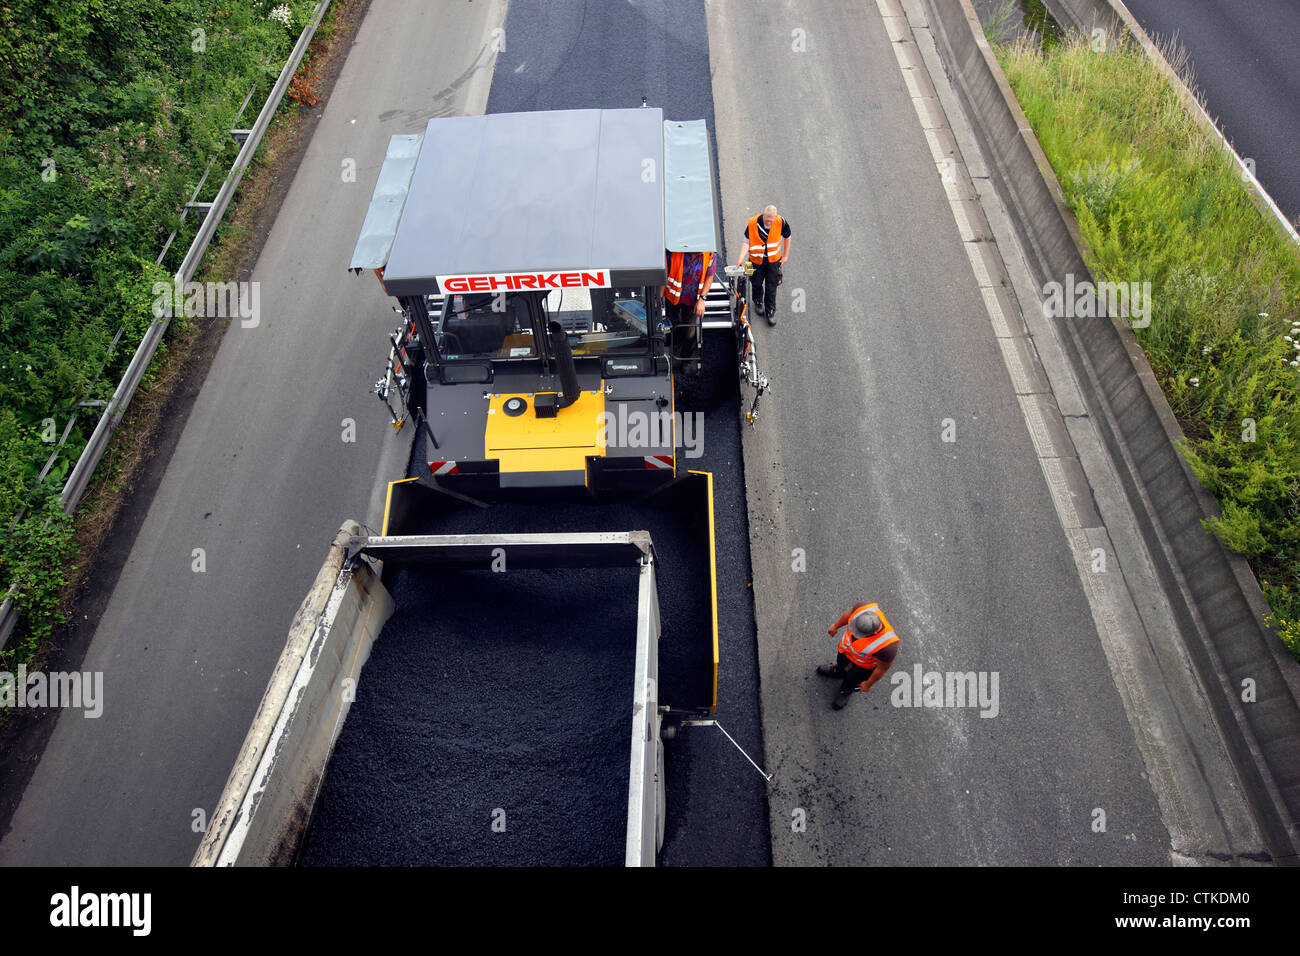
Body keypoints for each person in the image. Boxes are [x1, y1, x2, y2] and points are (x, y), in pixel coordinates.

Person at [816, 602, 899, 710]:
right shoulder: (863, 607)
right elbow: (847, 615)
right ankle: (838, 671)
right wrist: (835, 626)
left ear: (874, 632)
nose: (854, 633)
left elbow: (882, 669)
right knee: (841, 663)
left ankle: (845, 692)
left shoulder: (888, 647)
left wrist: (868, 684)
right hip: (845, 650)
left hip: (863, 666)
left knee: (852, 679)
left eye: (858, 634)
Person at [736, 204, 791, 322]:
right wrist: (740, 258)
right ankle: (758, 301)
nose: (768, 223)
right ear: (763, 215)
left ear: (775, 217)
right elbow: (746, 242)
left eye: (771, 221)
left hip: (773, 261)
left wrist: (785, 255)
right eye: (767, 220)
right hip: (755, 261)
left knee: (771, 287)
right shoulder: (752, 223)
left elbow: (787, 237)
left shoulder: (781, 222)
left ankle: (770, 311)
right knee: (756, 283)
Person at [663, 249, 715, 359]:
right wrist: (657, 297)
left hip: (693, 301)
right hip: (672, 297)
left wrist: (702, 299)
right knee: (672, 323)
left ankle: (687, 359)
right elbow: (664, 273)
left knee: (690, 330)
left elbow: (709, 276)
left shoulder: (709, 254)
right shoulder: (674, 252)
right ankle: (672, 345)